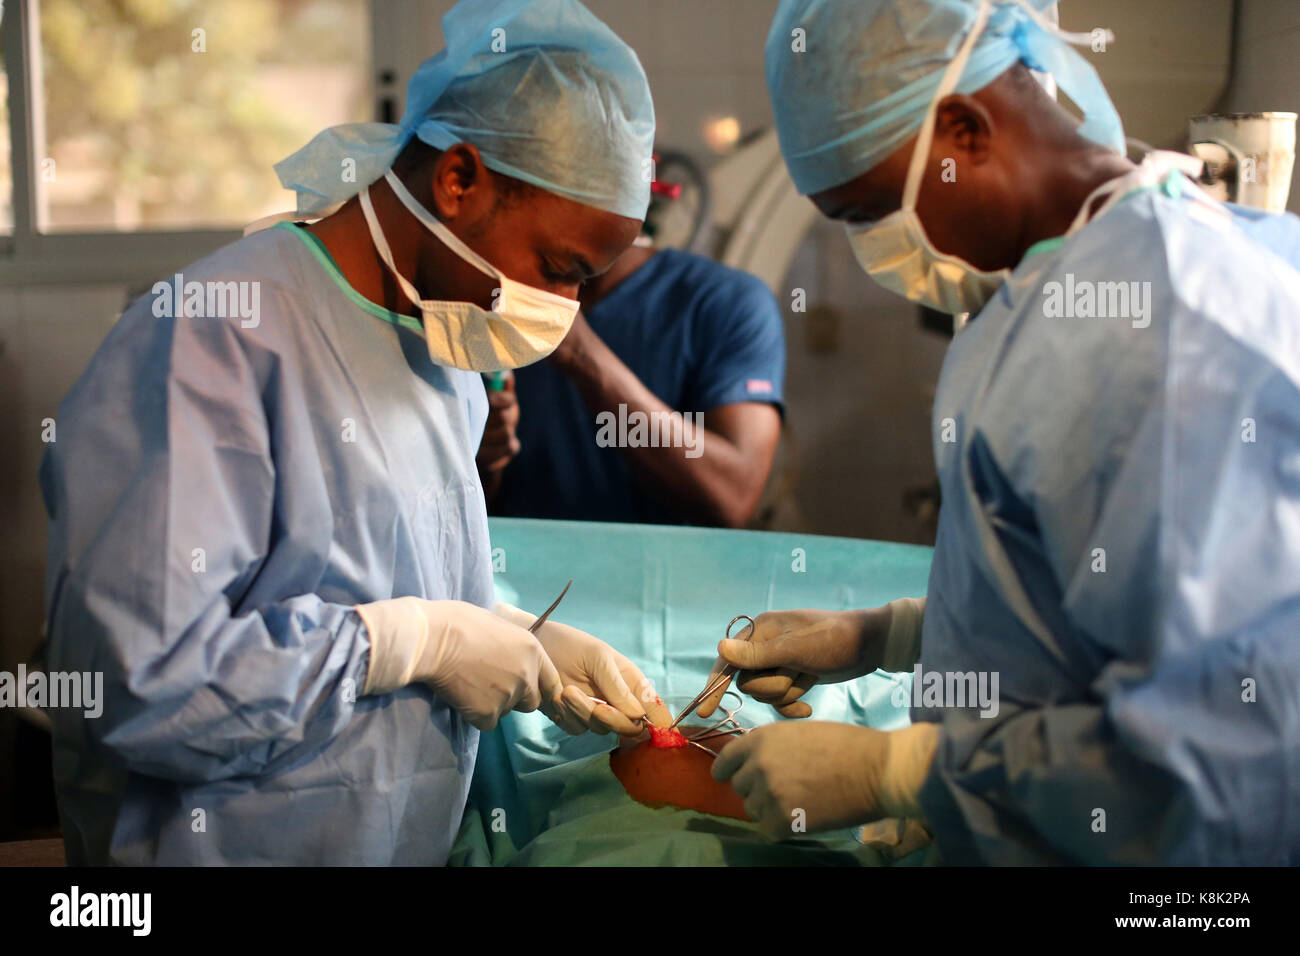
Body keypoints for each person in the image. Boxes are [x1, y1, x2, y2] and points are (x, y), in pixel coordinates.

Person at [40, 0, 672, 866]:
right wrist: (414, 643)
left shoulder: (441, 350)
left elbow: (368, 574)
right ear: (459, 178)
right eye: (557, 270)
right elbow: (143, 684)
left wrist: (510, 630)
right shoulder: (211, 339)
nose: (560, 312)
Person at [704, 0, 1300, 864]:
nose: (874, 246)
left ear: (966, 129)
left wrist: (912, 770)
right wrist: (892, 637)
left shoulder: (1178, 331)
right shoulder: (1034, 292)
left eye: (868, 208)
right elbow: (1071, 589)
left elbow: (1226, 748)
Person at [479, 208, 786, 528]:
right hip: (520, 570)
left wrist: (577, 350)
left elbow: (733, 498)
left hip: (665, 574)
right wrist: (486, 458)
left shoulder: (725, 303)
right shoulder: (491, 293)